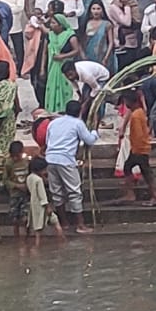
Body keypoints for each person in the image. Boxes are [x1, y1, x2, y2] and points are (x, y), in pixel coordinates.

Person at [43, 99, 97, 233]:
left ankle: (64, 222)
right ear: (79, 112)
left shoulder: (53, 123)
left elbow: (47, 141)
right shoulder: (78, 123)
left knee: (57, 192)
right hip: (66, 159)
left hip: (50, 158)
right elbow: (89, 140)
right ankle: (80, 225)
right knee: (74, 191)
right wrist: (95, 132)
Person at [117, 89, 156, 206]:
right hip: (140, 148)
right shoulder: (139, 112)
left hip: (139, 149)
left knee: (144, 172)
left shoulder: (136, 116)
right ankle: (133, 193)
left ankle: (152, 195)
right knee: (131, 168)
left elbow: (138, 134)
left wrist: (136, 149)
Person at [44, 8, 80, 113]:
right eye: (51, 23)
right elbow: (45, 52)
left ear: (61, 24)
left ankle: (64, 109)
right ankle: (52, 110)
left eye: (54, 23)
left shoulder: (70, 35)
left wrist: (63, 56)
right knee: (52, 88)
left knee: (65, 88)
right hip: (53, 66)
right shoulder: (51, 35)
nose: (51, 25)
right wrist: (42, 68)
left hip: (66, 66)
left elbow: (76, 50)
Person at [26, 156, 64, 244]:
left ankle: (36, 244)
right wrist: (48, 207)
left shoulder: (29, 178)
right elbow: (42, 195)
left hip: (34, 204)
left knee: (37, 228)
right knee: (54, 221)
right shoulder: (38, 180)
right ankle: (62, 241)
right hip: (42, 206)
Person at [82, 0, 112, 66]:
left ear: (102, 10)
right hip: (88, 56)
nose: (96, 11)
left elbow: (111, 43)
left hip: (102, 56)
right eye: (93, 9)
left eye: (98, 9)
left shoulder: (107, 24)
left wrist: (106, 58)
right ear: (90, 10)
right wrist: (83, 56)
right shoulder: (86, 23)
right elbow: (81, 41)